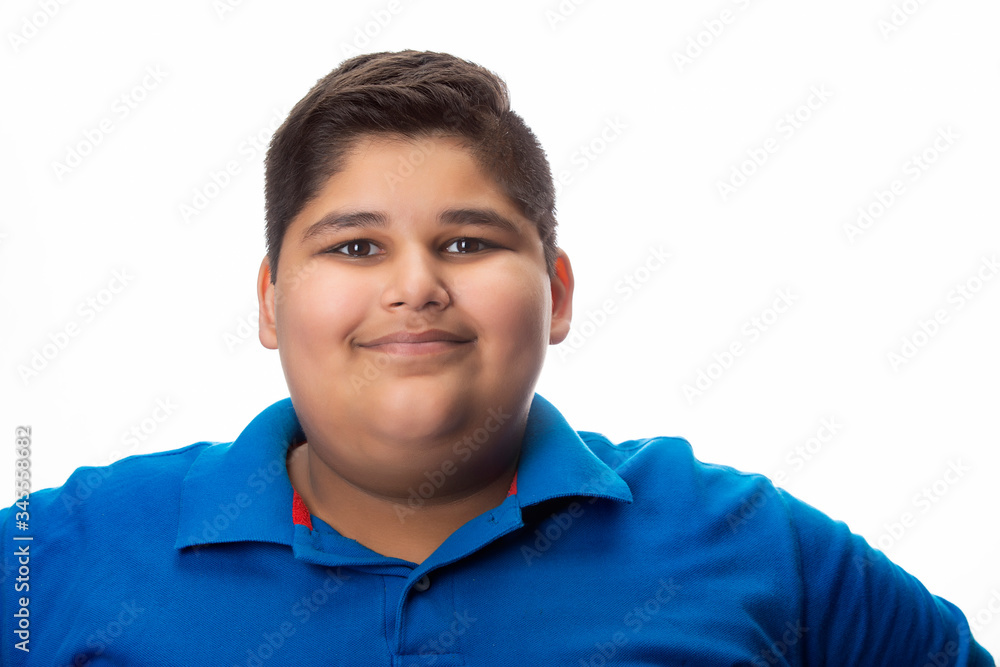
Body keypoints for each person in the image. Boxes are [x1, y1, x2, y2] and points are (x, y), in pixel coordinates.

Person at [1, 49, 994, 666]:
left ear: (555, 293)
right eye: (355, 246)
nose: (415, 285)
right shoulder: (59, 551)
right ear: (269, 300)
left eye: (468, 242)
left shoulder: (748, 542)